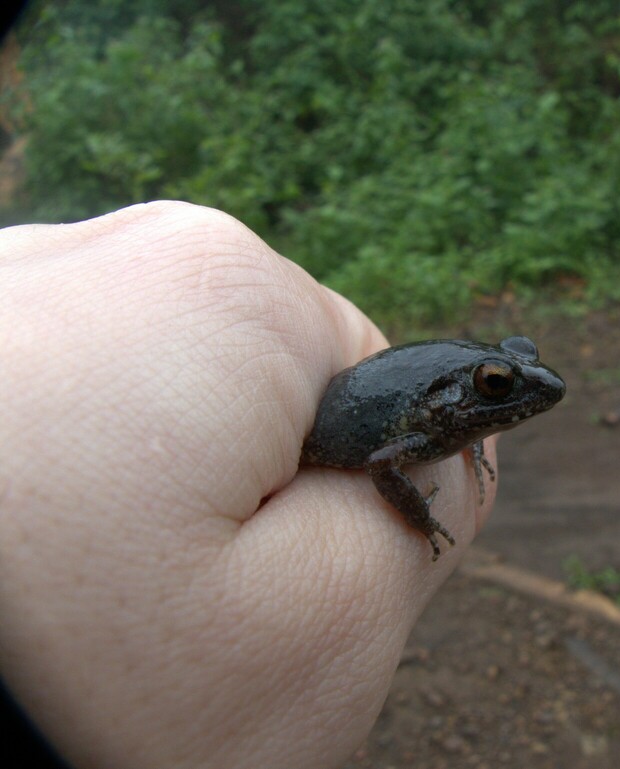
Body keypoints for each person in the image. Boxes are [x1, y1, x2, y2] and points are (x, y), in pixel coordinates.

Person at [0, 201, 497, 767]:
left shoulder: (452, 419)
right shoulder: (429, 426)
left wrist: (473, 435)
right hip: (329, 442)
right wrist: (421, 518)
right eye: (496, 383)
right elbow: (385, 462)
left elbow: (453, 419)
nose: (513, 389)